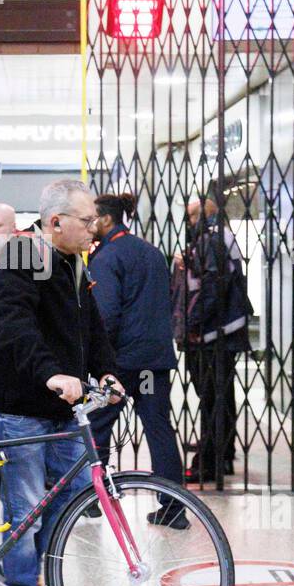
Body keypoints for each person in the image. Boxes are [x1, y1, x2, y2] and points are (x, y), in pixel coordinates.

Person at [0, 179, 123, 586]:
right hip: (17, 403)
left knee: (71, 492)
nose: (94, 228)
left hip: (58, 406)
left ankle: (31, 580)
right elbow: (15, 325)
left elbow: (89, 327)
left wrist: (106, 371)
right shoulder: (20, 257)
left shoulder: (73, 262)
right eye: (86, 220)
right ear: (56, 222)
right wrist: (50, 374)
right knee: (27, 506)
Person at [86, 192, 187, 528]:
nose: (88, 225)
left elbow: (107, 314)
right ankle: (174, 508)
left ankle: (93, 500)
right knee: (159, 430)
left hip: (122, 362)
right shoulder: (152, 252)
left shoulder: (106, 257)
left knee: (98, 426)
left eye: (91, 218)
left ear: (105, 219)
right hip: (153, 361)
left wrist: (99, 360)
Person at [177, 194, 253, 485]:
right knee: (221, 395)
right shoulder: (220, 238)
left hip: (212, 332)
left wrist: (193, 324)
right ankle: (223, 450)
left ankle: (208, 463)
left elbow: (212, 286)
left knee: (211, 397)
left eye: (192, 217)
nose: (189, 223)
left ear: (205, 216)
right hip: (225, 329)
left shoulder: (212, 241)